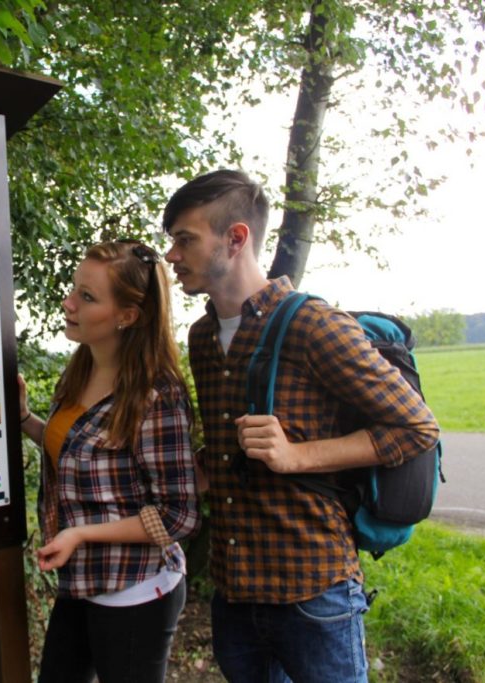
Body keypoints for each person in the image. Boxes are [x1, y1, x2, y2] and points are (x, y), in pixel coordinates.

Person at [161, 169, 440, 682]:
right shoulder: (201, 338)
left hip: (314, 593)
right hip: (234, 596)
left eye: (185, 239)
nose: (172, 255)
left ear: (236, 238)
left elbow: (416, 429)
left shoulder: (313, 324)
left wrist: (297, 455)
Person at [16, 240, 201, 683]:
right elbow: (77, 454)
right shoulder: (81, 368)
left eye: (87, 296)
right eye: (74, 289)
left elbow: (178, 515)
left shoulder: (156, 396)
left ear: (127, 316)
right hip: (83, 581)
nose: (69, 303)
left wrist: (81, 533)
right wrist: (24, 417)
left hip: (136, 591)